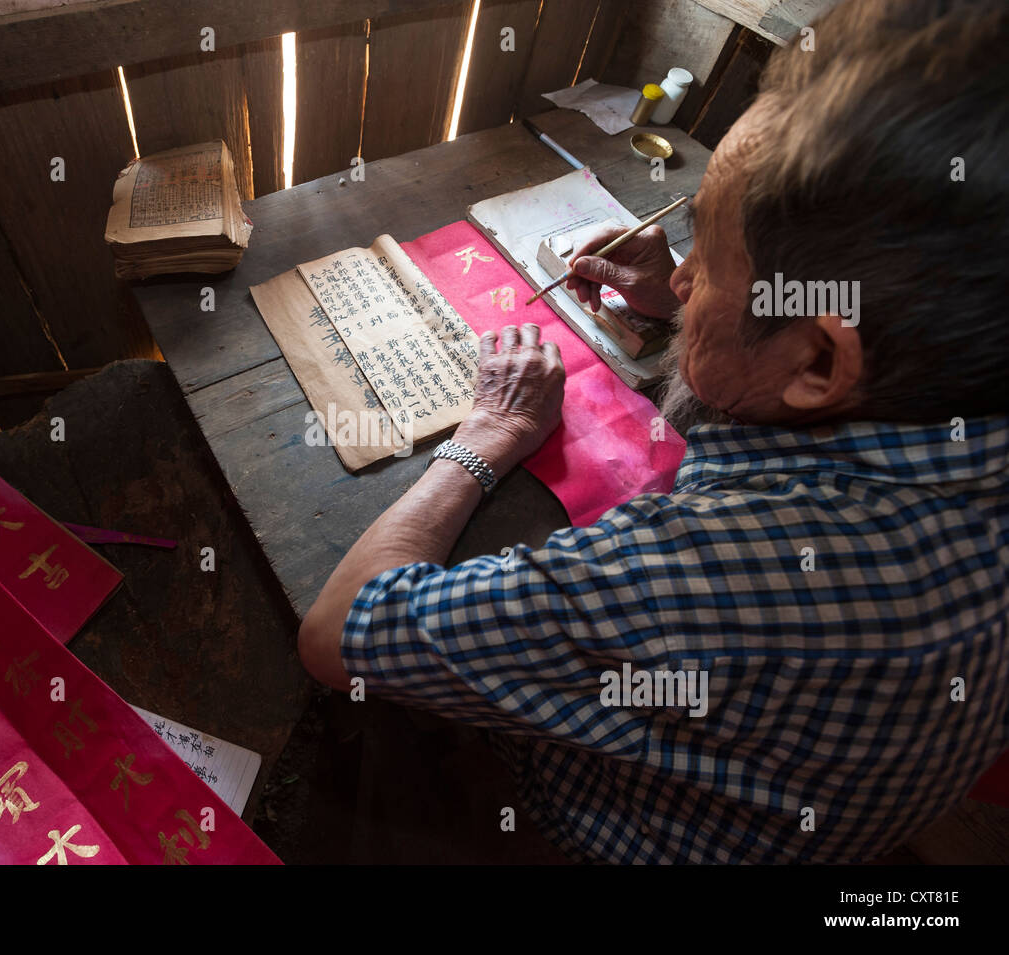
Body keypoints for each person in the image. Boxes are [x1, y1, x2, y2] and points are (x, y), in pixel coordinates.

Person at [297, 0, 1009, 863]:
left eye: (704, 263)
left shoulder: (714, 575)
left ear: (819, 359)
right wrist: (718, 321)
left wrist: (487, 433)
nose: (679, 280)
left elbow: (340, 635)